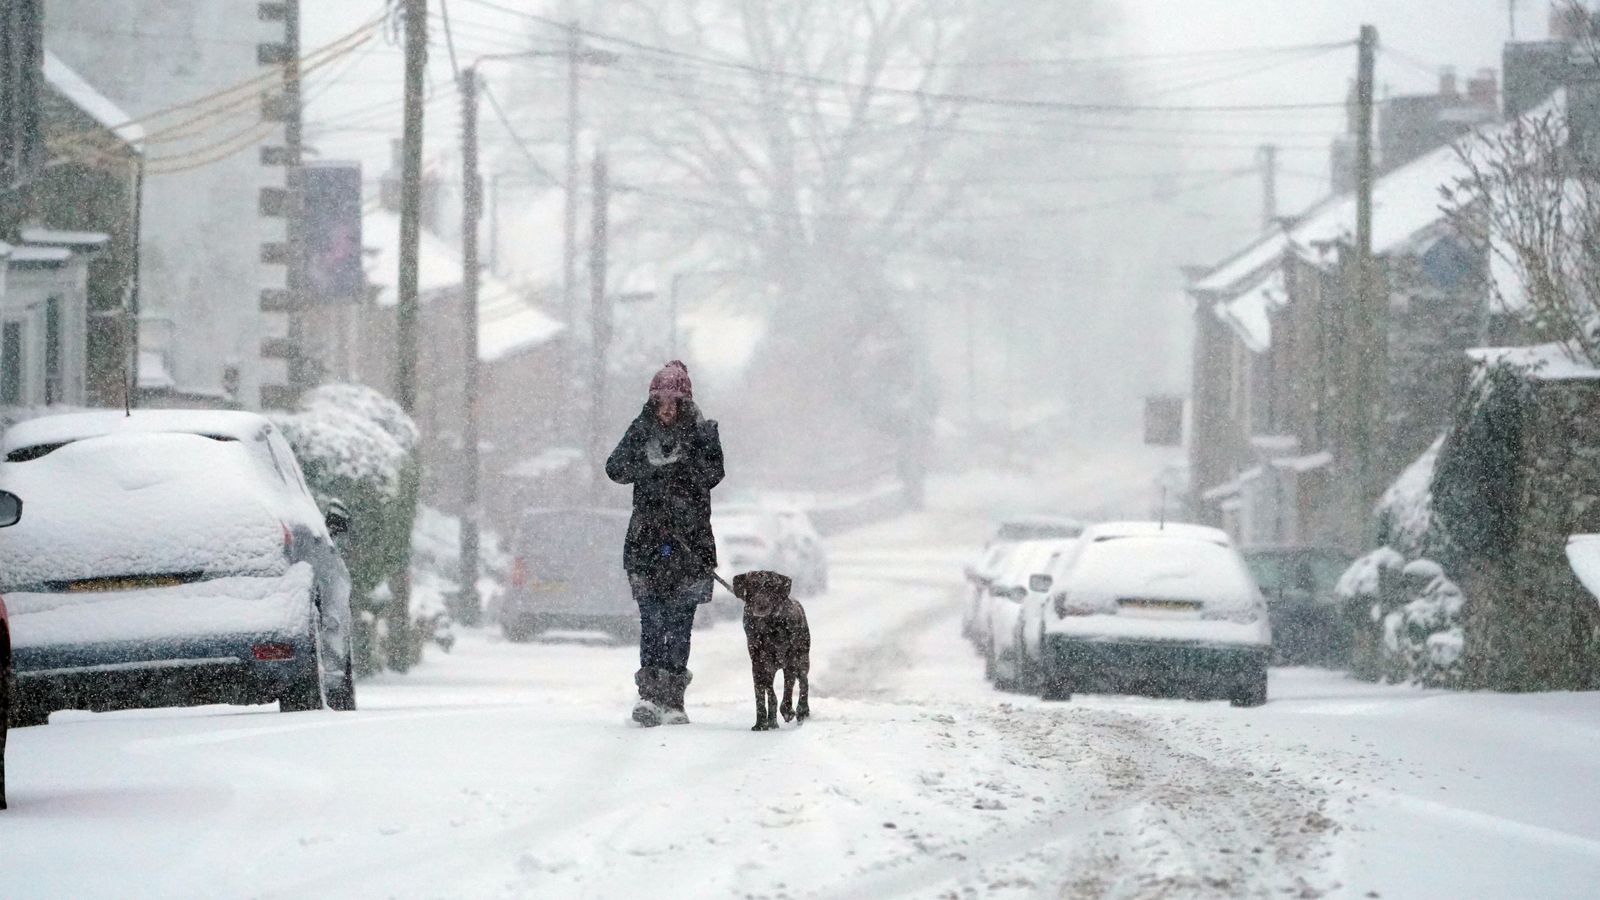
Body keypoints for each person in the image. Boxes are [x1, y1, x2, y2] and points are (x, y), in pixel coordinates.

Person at [605, 361, 725, 726]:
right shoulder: (641, 431)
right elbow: (615, 468)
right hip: (647, 544)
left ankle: (674, 699)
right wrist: (649, 468)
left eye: (674, 401)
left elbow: (713, 474)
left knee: (680, 622)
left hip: (690, 546)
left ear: (685, 402)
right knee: (653, 621)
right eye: (661, 400)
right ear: (653, 402)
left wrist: (679, 474)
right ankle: (649, 696)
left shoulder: (703, 434)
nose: (668, 408)